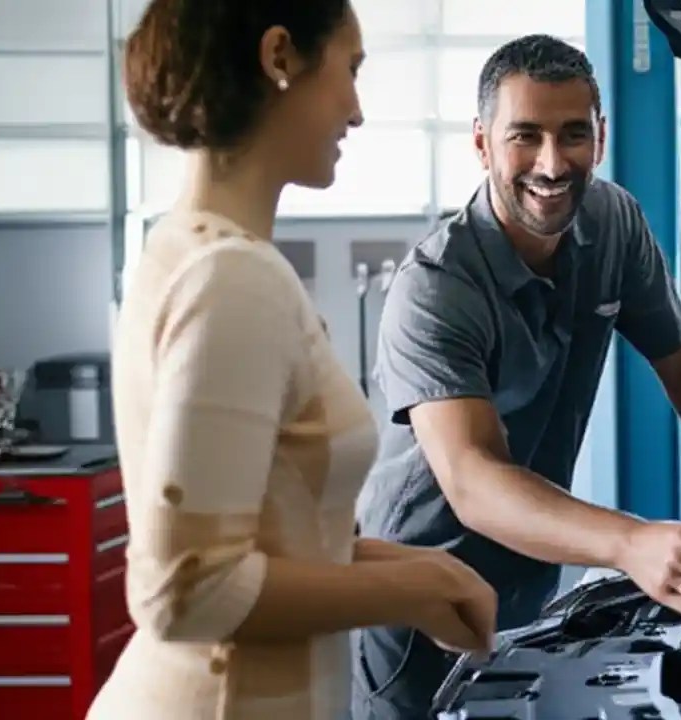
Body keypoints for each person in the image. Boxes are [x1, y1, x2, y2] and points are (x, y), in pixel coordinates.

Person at [351, 34, 681, 718]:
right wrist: (629, 542)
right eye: (526, 136)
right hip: (418, 609)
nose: (552, 163)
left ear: (600, 138)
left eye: (573, 134)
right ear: (483, 146)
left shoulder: (613, 223)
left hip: (533, 590)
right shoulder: (436, 288)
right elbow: (473, 482)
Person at [86, 2, 496, 718]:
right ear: (280, 57)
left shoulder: (181, 248)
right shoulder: (233, 279)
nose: (357, 110)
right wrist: (414, 592)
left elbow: (272, 542)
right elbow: (186, 589)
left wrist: (428, 566)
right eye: (351, 69)